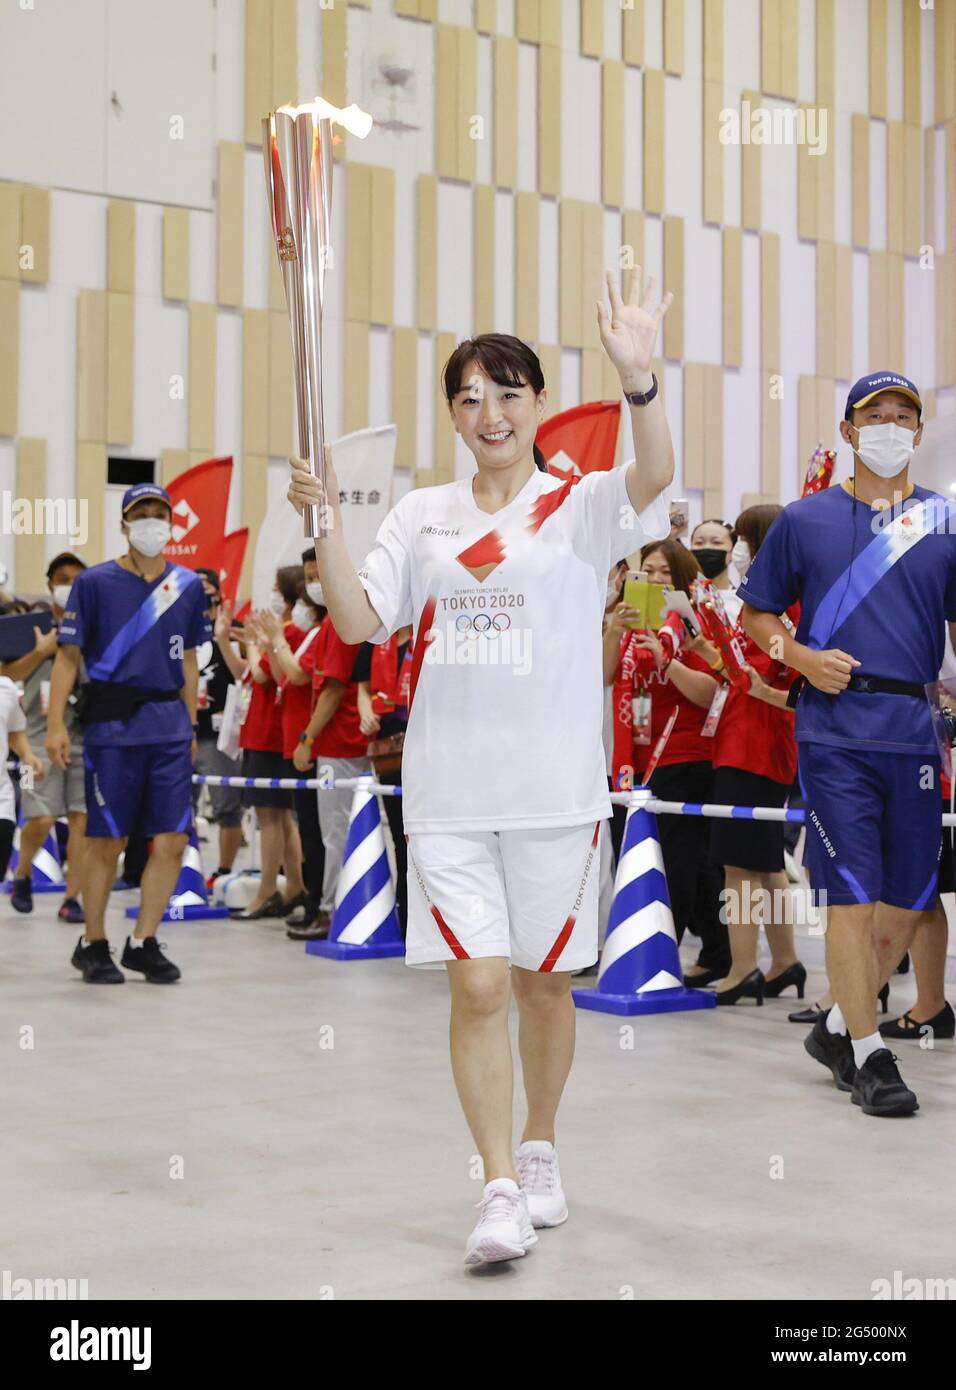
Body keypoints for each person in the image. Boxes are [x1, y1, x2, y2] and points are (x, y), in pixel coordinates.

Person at [288, 267, 674, 1265]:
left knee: (547, 984)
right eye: (467, 395)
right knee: (478, 987)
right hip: (451, 791)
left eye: (506, 391)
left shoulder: (580, 504)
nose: (487, 410)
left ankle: (540, 1143)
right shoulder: (422, 516)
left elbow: (655, 476)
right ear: (454, 416)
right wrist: (324, 522)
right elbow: (358, 620)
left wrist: (640, 381)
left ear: (536, 404)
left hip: (552, 790)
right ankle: (497, 1185)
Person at [739, 371, 956, 1118]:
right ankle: (870, 1056)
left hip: (915, 733)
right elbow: (757, 615)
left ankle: (837, 1025)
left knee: (909, 901)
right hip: (834, 735)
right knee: (852, 899)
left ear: (920, 433)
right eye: (876, 415)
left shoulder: (944, 522)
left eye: (905, 415)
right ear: (849, 429)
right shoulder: (806, 520)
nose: (891, 426)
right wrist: (800, 659)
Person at [47, 484, 211, 984]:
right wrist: (55, 723)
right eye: (141, 514)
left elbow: (186, 659)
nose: (151, 522)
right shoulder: (94, 583)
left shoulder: (186, 586)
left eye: (159, 514)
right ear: (123, 524)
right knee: (107, 838)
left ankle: (143, 941)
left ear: (171, 523)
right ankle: (93, 941)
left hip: (167, 729)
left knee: (171, 839)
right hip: (112, 728)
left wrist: (190, 725)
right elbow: (68, 656)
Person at [605, 539, 729, 981]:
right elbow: (602, 677)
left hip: (686, 753)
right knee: (670, 860)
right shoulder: (631, 617)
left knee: (678, 861)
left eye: (665, 572)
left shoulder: (697, 622)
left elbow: (714, 691)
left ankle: (659, 956)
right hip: (634, 757)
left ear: (682, 578)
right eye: (649, 571)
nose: (655, 580)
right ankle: (717, 952)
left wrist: (668, 659)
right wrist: (615, 631)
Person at [709, 505, 805, 1006]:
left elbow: (760, 677)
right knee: (764, 864)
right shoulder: (773, 603)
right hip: (753, 741)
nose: (735, 547)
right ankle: (785, 961)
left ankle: (742, 966)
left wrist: (721, 647)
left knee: (738, 866)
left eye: (742, 538)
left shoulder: (778, 607)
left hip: (756, 745)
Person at [1, 552, 88, 921]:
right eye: (63, 578)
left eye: (77, 579)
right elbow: (6, 675)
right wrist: (41, 652)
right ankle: (22, 873)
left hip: (84, 734)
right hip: (31, 740)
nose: (70, 585)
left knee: (82, 818)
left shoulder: (94, 625)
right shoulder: (28, 625)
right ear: (51, 583)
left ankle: (73, 898)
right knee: (39, 816)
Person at [255, 550, 328, 939]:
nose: (302, 603)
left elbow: (298, 677)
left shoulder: (325, 630)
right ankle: (312, 900)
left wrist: (276, 639)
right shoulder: (311, 632)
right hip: (298, 740)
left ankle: (320, 903)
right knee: (308, 826)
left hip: (317, 742)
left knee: (320, 832)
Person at [232, 569, 308, 920]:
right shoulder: (280, 632)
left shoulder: (289, 632)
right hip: (264, 730)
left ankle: (268, 889)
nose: (273, 596)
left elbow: (266, 675)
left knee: (271, 817)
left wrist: (254, 643)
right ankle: (293, 885)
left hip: (271, 734)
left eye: (277, 590)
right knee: (279, 816)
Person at [289, 601, 371, 925]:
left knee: (335, 833)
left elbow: (334, 689)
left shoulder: (340, 623)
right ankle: (334, 906)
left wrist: (307, 739)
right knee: (337, 831)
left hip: (341, 745)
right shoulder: (327, 624)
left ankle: (331, 911)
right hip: (339, 744)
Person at [357, 624, 413, 937]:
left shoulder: (432, 635)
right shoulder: (376, 639)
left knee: (427, 839)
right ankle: (406, 921)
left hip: (428, 746)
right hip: (391, 750)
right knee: (400, 838)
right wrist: (366, 712)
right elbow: (363, 687)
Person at [191, 568, 243, 887]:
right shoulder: (178, 630)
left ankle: (223, 870)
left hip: (219, 734)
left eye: (207, 591)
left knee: (226, 805)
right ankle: (181, 867)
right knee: (176, 805)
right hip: (183, 731)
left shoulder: (230, 631)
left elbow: (245, 675)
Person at [0, 674, 46, 885]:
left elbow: (15, 733)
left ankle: (22, 877)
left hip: (3, 799)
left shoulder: (6, 687)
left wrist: (27, 755)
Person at [690, 519, 742, 623]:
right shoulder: (684, 595)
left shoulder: (742, 602)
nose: (707, 547)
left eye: (716, 542)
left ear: (732, 551)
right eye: (699, 543)